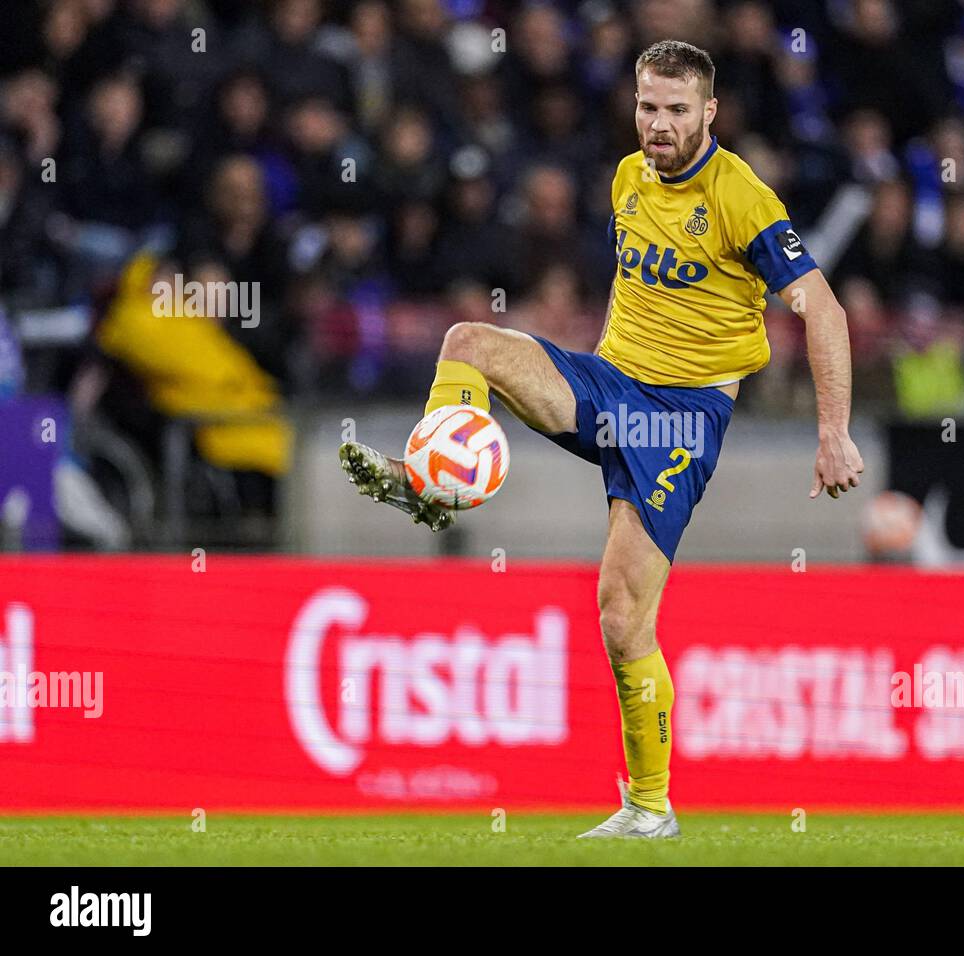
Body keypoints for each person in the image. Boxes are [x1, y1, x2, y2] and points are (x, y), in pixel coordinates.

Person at [338, 40, 863, 838]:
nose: (658, 124)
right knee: (467, 342)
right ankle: (433, 480)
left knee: (621, 617)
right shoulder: (625, 177)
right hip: (610, 387)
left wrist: (833, 433)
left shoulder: (743, 199)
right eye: (648, 106)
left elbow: (822, 310)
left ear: (710, 113)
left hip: (680, 420)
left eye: (677, 111)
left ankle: (649, 809)